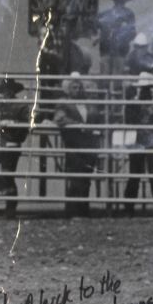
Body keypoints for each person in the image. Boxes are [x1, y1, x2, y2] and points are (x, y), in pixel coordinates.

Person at [53, 72, 102, 217]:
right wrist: (79, 125)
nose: (77, 89)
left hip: (89, 143)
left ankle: (83, 210)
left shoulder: (89, 103)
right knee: (75, 177)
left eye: (79, 86)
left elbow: (97, 118)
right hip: (74, 143)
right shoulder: (63, 102)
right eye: (74, 87)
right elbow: (60, 119)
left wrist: (92, 128)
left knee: (86, 177)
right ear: (68, 89)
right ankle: (73, 211)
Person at [122, 73, 153, 216]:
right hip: (139, 139)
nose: (146, 91)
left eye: (148, 88)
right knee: (135, 173)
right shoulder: (132, 104)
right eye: (143, 88)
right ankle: (129, 209)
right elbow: (129, 121)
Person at [0, 77, 30, 218]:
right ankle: (3, 189)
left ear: (14, 91)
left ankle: (10, 210)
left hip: (12, 144)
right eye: (4, 91)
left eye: (9, 90)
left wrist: (12, 123)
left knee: (8, 174)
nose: (6, 93)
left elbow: (26, 126)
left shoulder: (21, 106)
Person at [96, 0, 137, 76]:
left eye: (120, 1)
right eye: (119, 1)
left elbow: (132, 33)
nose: (119, 3)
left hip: (117, 51)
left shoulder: (105, 14)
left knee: (111, 76)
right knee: (112, 76)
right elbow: (132, 33)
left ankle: (108, 87)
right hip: (111, 51)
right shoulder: (128, 14)